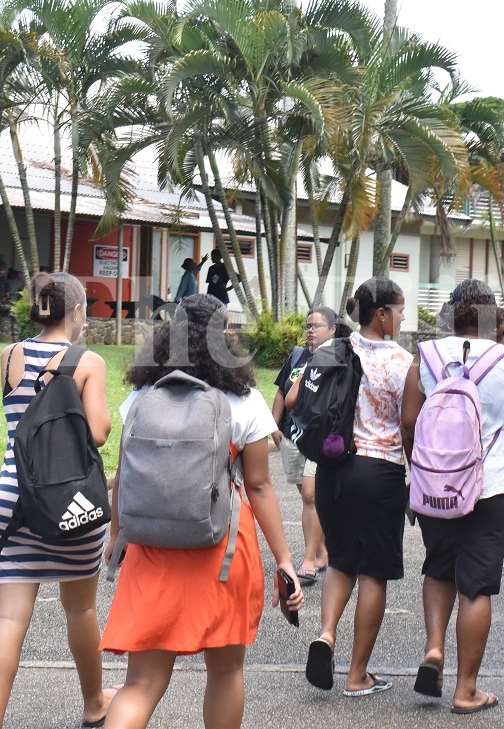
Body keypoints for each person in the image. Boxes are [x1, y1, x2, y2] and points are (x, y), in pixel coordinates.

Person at [100, 294, 304, 728]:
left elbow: (124, 474)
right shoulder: (243, 399)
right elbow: (260, 485)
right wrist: (284, 559)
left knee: (139, 683)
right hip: (222, 549)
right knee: (226, 671)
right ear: (223, 334)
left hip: (152, 547)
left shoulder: (142, 394)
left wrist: (117, 534)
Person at [400, 280, 504, 715]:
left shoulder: (426, 357)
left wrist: (421, 473)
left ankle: (434, 651)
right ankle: (465, 690)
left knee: (438, 568)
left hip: (435, 486)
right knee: (475, 587)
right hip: (487, 487)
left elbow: (407, 422)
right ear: (494, 316)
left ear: (452, 314)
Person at [0, 272, 116, 729]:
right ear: (77, 312)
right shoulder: (87, 361)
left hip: (11, 502)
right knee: (80, 608)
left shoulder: (9, 355)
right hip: (68, 506)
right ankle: (95, 703)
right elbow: (97, 433)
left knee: (10, 619)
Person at [287, 277, 412, 697]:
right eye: (398, 309)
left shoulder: (329, 351)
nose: (402, 316)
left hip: (332, 470)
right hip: (380, 474)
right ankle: (358, 676)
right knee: (374, 571)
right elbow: (409, 423)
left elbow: (296, 402)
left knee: (340, 561)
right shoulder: (401, 362)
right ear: (381, 314)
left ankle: (325, 635)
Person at [270, 306, 336, 586]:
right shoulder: (297, 355)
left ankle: (310, 560)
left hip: (319, 439)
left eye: (317, 325)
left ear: (332, 329)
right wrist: (273, 427)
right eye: (308, 325)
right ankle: (325, 552)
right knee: (309, 497)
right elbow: (282, 392)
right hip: (291, 436)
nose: (310, 330)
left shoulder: (335, 359)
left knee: (311, 495)